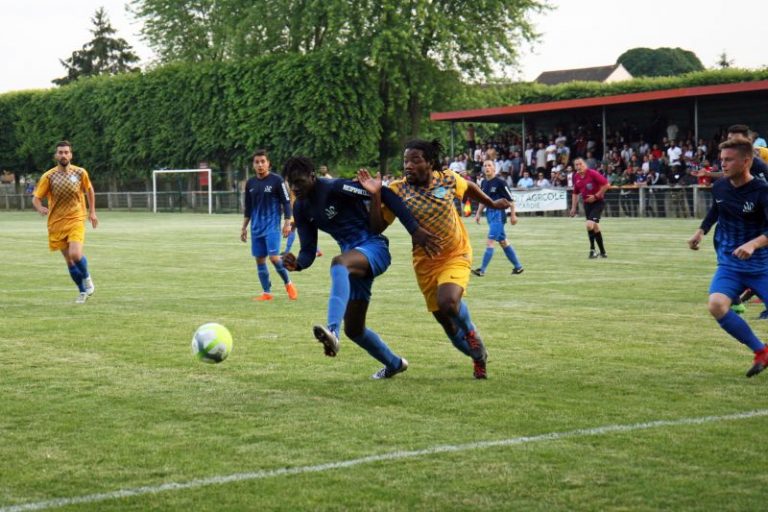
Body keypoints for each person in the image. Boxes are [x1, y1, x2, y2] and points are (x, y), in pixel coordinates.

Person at [358, 139, 511, 379]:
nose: (408, 165)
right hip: (426, 263)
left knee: (448, 302)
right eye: (406, 160)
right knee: (448, 327)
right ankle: (478, 356)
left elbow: (468, 187)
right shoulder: (397, 190)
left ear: (429, 163)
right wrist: (376, 196)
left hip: (455, 253)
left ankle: (471, 332)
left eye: (415, 160)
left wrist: (491, 203)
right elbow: (376, 227)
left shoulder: (447, 179)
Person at [281, 156, 438, 379]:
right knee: (354, 329)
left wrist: (414, 229)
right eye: (292, 183)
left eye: (299, 181)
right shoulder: (301, 208)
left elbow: (386, 194)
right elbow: (308, 249)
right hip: (353, 259)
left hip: (374, 247)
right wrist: (297, 263)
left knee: (339, 263)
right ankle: (394, 364)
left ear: (313, 176)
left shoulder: (334, 187)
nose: (296, 187)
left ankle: (332, 330)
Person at [687, 137, 768, 377]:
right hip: (730, 265)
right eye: (721, 160)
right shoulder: (720, 187)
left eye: (728, 160)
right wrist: (701, 230)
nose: (722, 165)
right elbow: (717, 208)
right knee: (716, 305)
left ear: (746, 161)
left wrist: (754, 244)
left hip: (762, 265)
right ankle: (760, 351)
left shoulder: (762, 191)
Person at [32, 140, 98, 304]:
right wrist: (40, 208)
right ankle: (82, 291)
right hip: (56, 223)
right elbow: (36, 198)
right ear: (56, 155)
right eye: (60, 152)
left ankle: (88, 278)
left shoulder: (80, 173)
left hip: (76, 218)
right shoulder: (48, 176)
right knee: (69, 261)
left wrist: (92, 212)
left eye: (66, 152)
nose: (63, 155)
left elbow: (89, 189)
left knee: (75, 255)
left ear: (71, 154)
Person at [240, 149, 298, 301]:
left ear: (268, 163)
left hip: (272, 227)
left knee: (273, 258)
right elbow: (248, 207)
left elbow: (286, 202)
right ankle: (266, 293)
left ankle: (288, 283)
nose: (260, 165)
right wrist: (244, 228)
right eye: (257, 162)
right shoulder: (250, 183)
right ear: (253, 165)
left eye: (263, 162)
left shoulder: (276, 180)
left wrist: (287, 222)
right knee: (260, 259)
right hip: (256, 228)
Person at [472, 159, 523, 277]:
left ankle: (482, 270)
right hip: (490, 215)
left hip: (498, 215)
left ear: (494, 168)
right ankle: (518, 267)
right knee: (503, 242)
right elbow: (483, 200)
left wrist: (513, 215)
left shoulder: (501, 183)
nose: (487, 167)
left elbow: (510, 200)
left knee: (490, 241)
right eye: (485, 166)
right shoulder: (484, 182)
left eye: (489, 165)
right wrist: (478, 213)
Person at [569, 157, 610, 258]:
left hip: (598, 202)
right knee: (594, 227)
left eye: (580, 164)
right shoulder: (576, 176)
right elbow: (575, 192)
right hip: (587, 204)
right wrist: (573, 208)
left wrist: (596, 196)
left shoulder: (592, 173)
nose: (578, 166)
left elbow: (606, 185)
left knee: (589, 225)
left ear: (585, 164)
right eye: (576, 165)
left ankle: (592, 250)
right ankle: (603, 252)